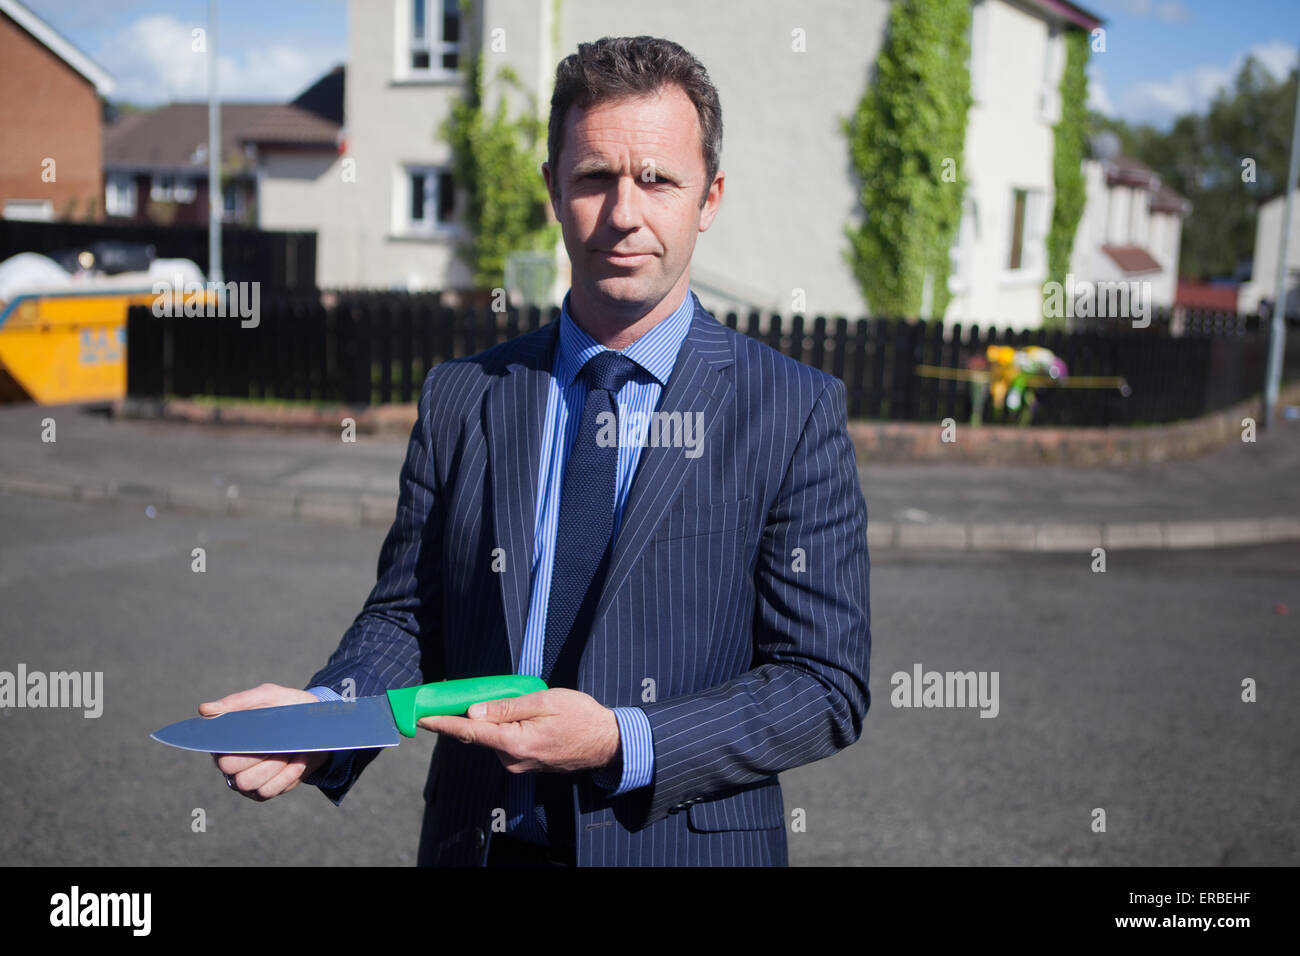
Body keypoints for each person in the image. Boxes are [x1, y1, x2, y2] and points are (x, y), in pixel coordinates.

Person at [202, 35, 870, 867]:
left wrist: (621, 740)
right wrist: (328, 715)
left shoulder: (792, 409)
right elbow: (411, 614)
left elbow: (824, 685)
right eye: (594, 178)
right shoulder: (465, 395)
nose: (624, 213)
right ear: (553, 189)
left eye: (657, 179)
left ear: (709, 197)